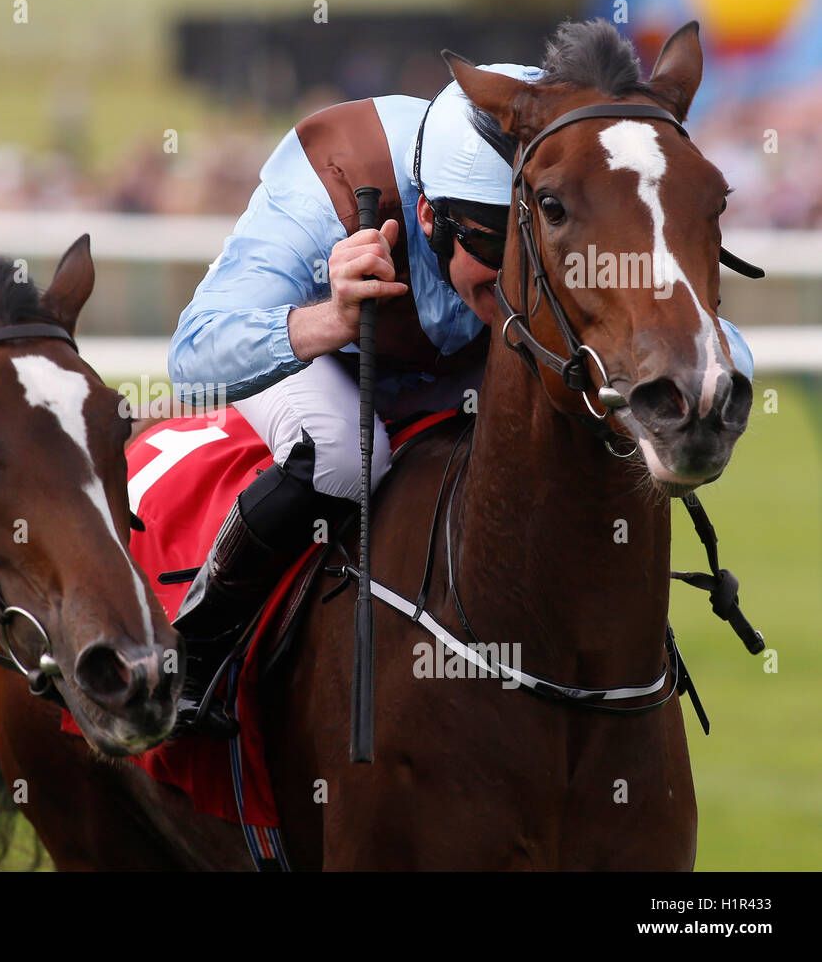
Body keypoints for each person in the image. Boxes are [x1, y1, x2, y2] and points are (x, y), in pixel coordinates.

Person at [168, 53, 755, 736]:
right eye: (490, 243)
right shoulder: (329, 178)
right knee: (341, 452)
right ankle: (198, 650)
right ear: (428, 217)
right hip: (331, 357)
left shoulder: (566, 174)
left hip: (475, 356)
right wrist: (329, 318)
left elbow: (688, 338)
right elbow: (194, 356)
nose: (513, 271)